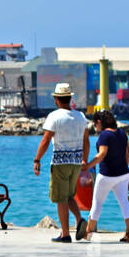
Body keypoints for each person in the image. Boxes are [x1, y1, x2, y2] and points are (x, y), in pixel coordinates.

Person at [33, 82, 90, 243]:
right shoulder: (81, 117)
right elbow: (86, 141)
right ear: (70, 98)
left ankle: (65, 234)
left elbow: (46, 140)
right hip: (76, 162)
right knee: (69, 195)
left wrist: (37, 159)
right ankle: (79, 219)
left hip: (60, 163)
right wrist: (84, 159)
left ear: (57, 99)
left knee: (60, 198)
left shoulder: (55, 116)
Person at [81, 110, 129, 243]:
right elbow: (127, 155)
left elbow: (102, 154)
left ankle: (88, 232)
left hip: (107, 175)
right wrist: (123, 169)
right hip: (123, 173)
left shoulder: (105, 135)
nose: (95, 128)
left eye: (95, 125)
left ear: (99, 122)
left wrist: (87, 166)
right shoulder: (122, 133)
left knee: (97, 203)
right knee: (124, 202)